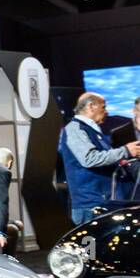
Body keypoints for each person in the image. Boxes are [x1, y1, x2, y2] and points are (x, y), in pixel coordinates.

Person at [59, 92, 140, 224]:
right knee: (91, 244)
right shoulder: (75, 129)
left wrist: (121, 161)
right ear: (91, 106)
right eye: (103, 107)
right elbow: (90, 158)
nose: (106, 112)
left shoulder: (93, 131)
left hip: (102, 201)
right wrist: (125, 150)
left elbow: (104, 158)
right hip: (89, 205)